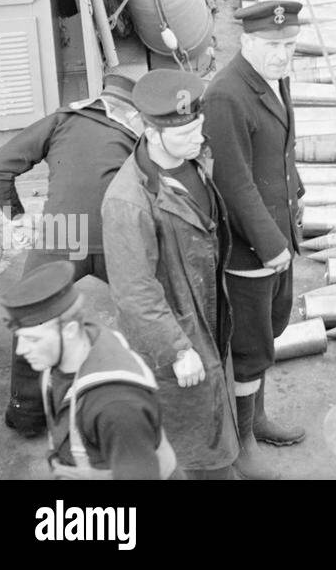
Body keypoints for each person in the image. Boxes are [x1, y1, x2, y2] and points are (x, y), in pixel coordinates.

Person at [0, 72, 142, 437]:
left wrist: (17, 217)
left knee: (32, 314)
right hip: (115, 231)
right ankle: (147, 398)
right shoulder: (143, 129)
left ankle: (26, 412)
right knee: (147, 306)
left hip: (63, 229)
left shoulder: (63, 119)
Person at [101, 70, 239, 479]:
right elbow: (134, 292)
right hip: (178, 339)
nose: (198, 139)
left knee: (213, 433)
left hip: (209, 319)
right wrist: (177, 349)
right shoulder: (128, 201)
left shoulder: (191, 160)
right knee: (193, 454)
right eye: (186, 134)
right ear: (152, 132)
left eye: (199, 128)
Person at [201, 1, 306, 477]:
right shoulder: (226, 95)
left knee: (270, 330)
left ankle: (257, 417)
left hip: (278, 232)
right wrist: (270, 243)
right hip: (250, 249)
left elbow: (281, 149)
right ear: (246, 42)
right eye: (273, 45)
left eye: (289, 45)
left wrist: (295, 194)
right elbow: (234, 180)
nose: (283, 55)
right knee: (247, 347)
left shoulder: (274, 78)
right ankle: (243, 444)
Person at [0, 260, 177, 479]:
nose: (23, 350)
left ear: (71, 330)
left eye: (33, 339)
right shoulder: (75, 348)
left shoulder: (116, 406)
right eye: (20, 339)